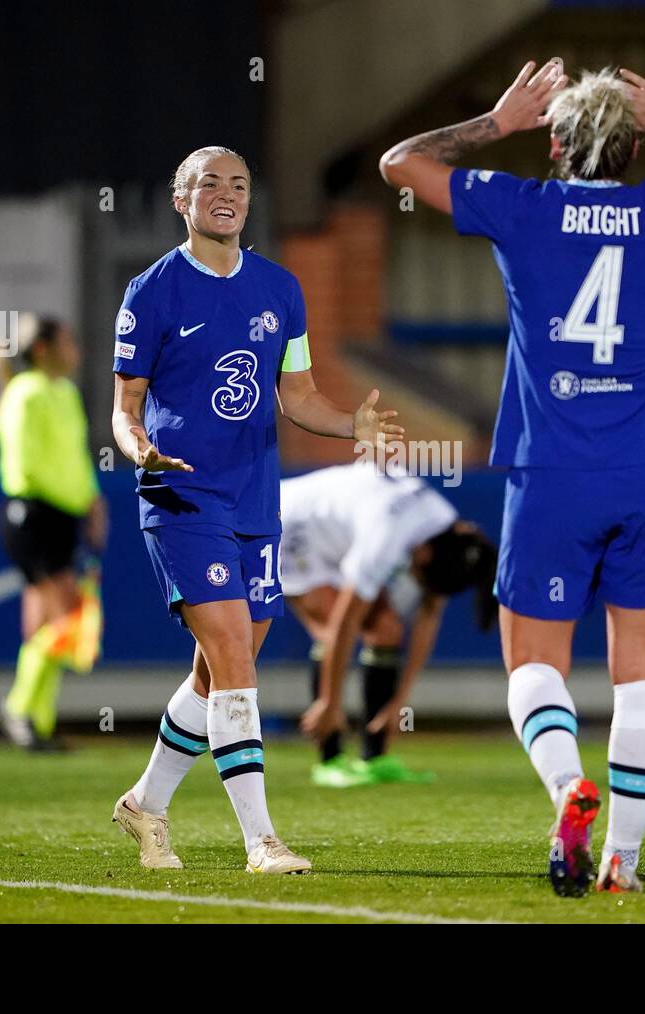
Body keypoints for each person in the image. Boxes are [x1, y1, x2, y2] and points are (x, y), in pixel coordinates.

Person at [379, 60, 645, 895]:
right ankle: (623, 864)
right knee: (643, 673)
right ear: (638, 145)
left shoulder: (520, 206)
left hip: (551, 470)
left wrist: (499, 123)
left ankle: (570, 787)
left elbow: (400, 162)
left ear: (558, 142)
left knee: (533, 666)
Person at [110, 146, 403, 873]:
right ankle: (261, 841)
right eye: (210, 183)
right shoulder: (151, 292)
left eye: (239, 184)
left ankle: (144, 806)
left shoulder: (281, 289)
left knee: (216, 675)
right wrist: (138, 447)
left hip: (255, 504)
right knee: (235, 657)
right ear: (182, 200)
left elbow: (297, 396)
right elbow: (123, 409)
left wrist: (350, 425)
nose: (227, 194)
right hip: (182, 497)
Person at [280, 462, 498, 786]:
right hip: (291, 524)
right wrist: (330, 701)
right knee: (328, 630)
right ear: (424, 559)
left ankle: (375, 758)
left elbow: (429, 614)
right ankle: (330, 758)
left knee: (387, 630)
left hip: (335, 534)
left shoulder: (445, 528)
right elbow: (345, 623)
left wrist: (399, 701)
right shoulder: (385, 538)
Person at [0, 314, 107, 751]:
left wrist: (93, 500)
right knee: (65, 619)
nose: (76, 348)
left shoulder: (64, 393)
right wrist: (80, 499)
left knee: (44, 621)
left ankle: (37, 723)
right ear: (42, 350)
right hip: (33, 513)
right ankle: (19, 709)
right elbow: (28, 467)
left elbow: (73, 458)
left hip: (60, 516)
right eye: (67, 340)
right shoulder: (24, 395)